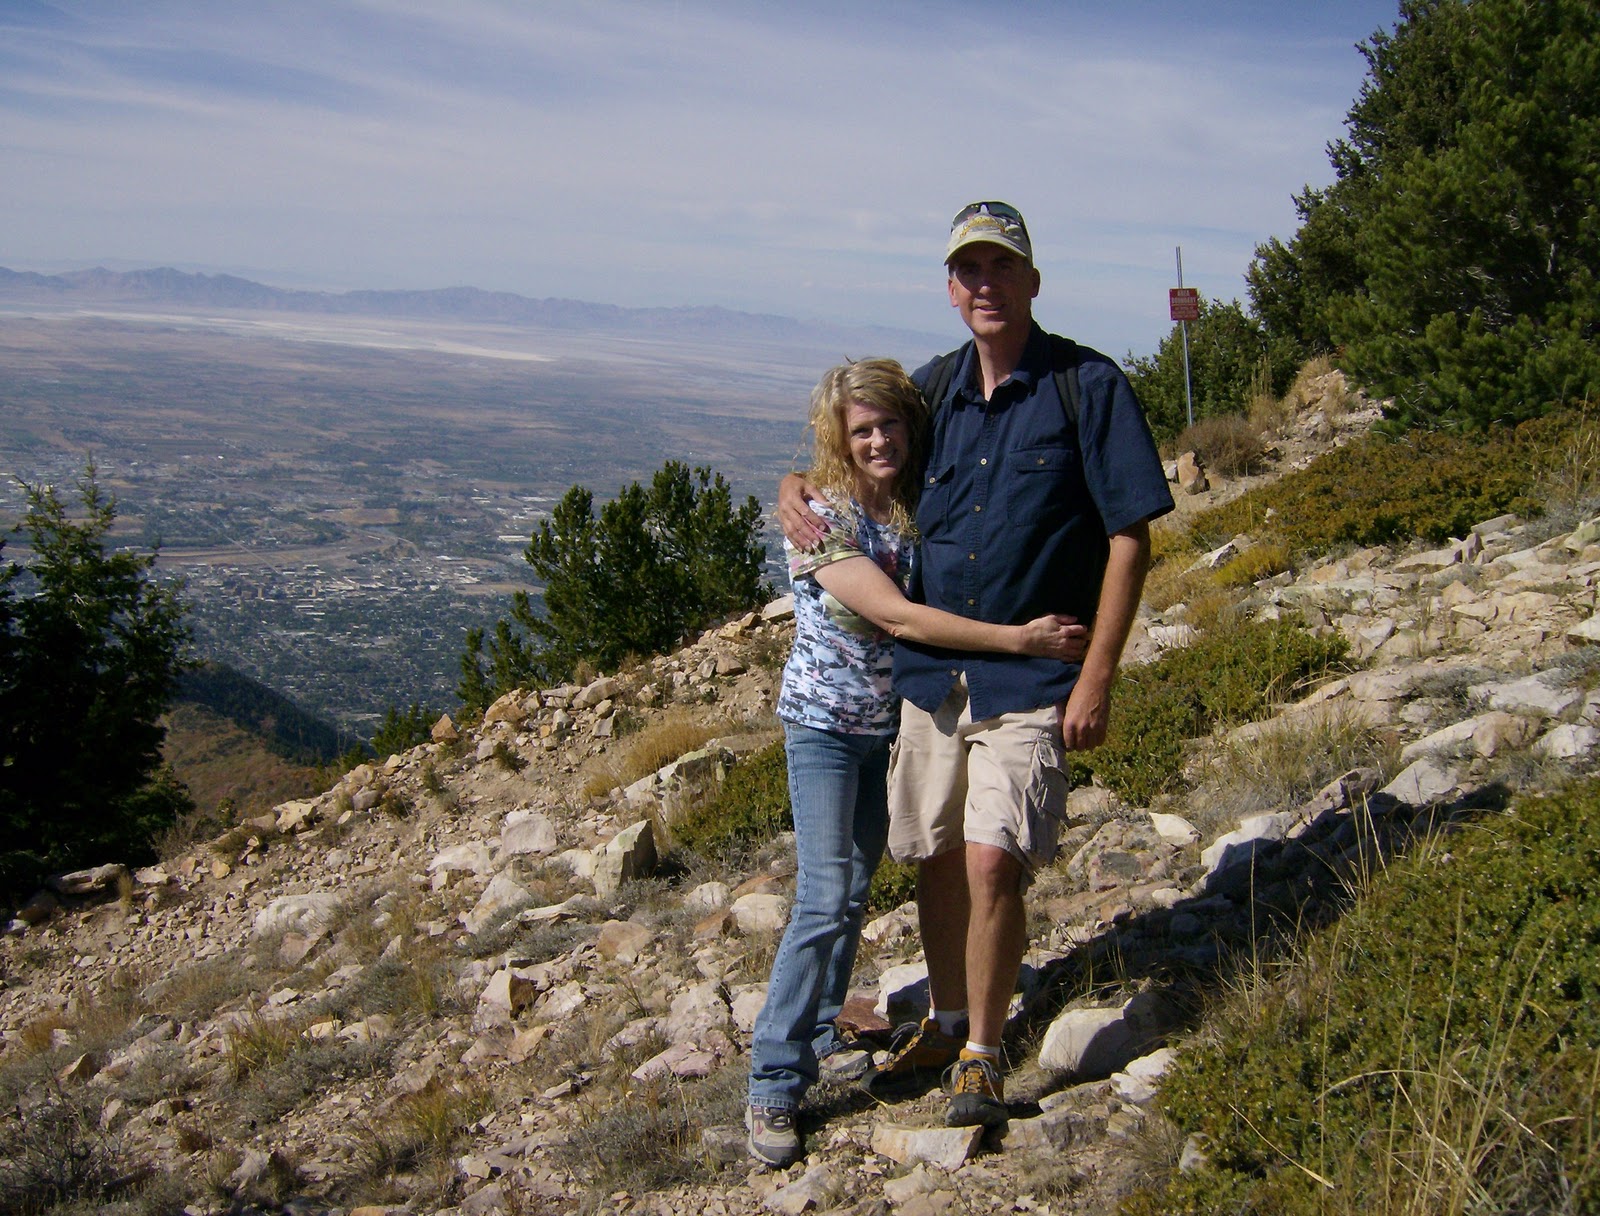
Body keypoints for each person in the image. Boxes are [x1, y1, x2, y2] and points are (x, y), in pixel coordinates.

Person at [779, 201, 1173, 1130]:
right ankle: (948, 1021)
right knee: (938, 858)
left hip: (1033, 679)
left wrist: (1099, 676)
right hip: (930, 681)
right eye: (970, 271)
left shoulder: (1088, 385)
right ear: (951, 290)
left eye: (1003, 268)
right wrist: (794, 485)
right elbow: (861, 449)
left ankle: (985, 1057)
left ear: (1032, 280)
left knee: (996, 861)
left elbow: (1129, 540)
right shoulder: (934, 392)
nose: (986, 285)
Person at [746, 356, 1089, 1168]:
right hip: (827, 731)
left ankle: (824, 1027)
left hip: (889, 728)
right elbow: (898, 617)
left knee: (853, 890)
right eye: (859, 430)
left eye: (888, 424)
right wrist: (1022, 641)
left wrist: (789, 476)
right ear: (838, 438)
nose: (876, 440)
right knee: (827, 896)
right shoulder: (820, 522)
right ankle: (772, 1078)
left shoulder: (905, 506)